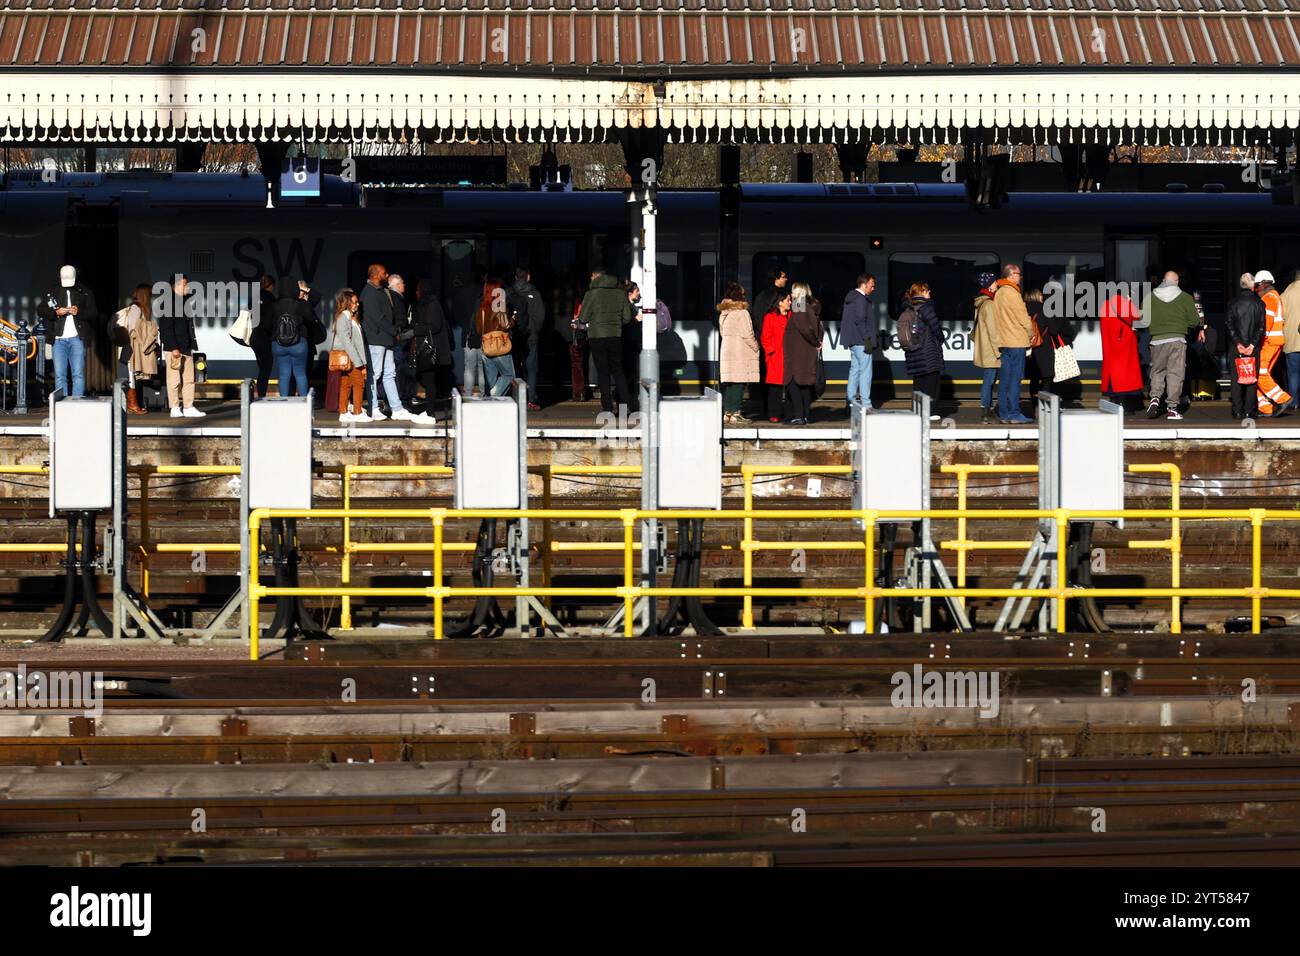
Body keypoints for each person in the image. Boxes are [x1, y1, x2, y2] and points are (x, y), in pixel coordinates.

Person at [1144, 271, 1205, 420]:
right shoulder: (1185, 297)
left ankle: (1155, 397)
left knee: (1157, 371)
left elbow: (1143, 320)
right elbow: (1194, 321)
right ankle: (1172, 408)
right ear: (1177, 282)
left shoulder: (1149, 297)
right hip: (1177, 340)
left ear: (1163, 280)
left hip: (1156, 340)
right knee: (1175, 374)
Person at [359, 263, 414, 420]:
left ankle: (396, 409)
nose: (386, 274)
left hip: (386, 339)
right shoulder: (369, 292)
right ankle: (373, 407)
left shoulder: (379, 291)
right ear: (375, 275)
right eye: (384, 273)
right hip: (376, 339)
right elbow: (378, 318)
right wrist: (394, 331)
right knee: (375, 374)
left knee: (389, 373)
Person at [37, 265, 99, 398]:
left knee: (78, 374)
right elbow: (40, 310)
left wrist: (79, 312)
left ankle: (77, 404)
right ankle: (61, 405)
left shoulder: (84, 291)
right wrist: (55, 312)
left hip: (77, 338)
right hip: (58, 339)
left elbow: (94, 313)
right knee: (60, 375)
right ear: (59, 276)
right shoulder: (52, 291)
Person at [579, 269, 633, 413]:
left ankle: (607, 407)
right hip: (615, 336)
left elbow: (583, 318)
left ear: (597, 278)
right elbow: (627, 318)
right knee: (618, 371)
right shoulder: (620, 293)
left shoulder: (591, 294)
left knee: (603, 373)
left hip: (597, 337)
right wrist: (614, 323)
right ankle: (627, 406)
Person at [156, 273, 205, 418]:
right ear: (175, 286)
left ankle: (189, 406)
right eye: (184, 284)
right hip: (175, 348)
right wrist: (173, 347)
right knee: (174, 379)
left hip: (186, 346)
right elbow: (166, 328)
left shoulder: (184, 302)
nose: (187, 287)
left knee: (189, 378)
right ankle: (175, 407)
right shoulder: (168, 302)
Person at [992, 263, 1033, 424]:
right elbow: (1023, 317)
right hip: (1016, 341)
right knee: (1015, 379)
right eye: (1018, 274)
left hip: (1004, 342)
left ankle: (1004, 413)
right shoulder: (1013, 293)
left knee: (1005, 379)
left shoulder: (999, 293)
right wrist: (1031, 334)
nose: (1020, 277)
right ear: (1010, 275)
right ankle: (1015, 413)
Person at [268, 276, 317, 399]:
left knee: (284, 374)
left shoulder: (273, 305)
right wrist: (306, 289)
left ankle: (284, 401)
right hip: (299, 343)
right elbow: (311, 319)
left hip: (278, 344)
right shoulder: (300, 304)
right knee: (300, 374)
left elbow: (266, 324)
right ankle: (303, 402)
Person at [113, 284, 159, 414]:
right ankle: (132, 405)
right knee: (130, 375)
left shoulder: (140, 309)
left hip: (133, 346)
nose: (151, 297)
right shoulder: (136, 309)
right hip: (131, 347)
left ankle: (132, 404)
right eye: (149, 294)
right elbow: (133, 329)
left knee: (132, 375)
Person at [1225, 272, 1265, 420]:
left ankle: (1236, 410)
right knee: (1252, 379)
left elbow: (1229, 325)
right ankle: (1249, 410)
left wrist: (1238, 343)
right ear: (1253, 286)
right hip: (1253, 348)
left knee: (1236, 379)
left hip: (1236, 347)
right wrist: (1253, 345)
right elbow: (1261, 327)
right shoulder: (1259, 303)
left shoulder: (1232, 303)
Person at [411, 277, 452, 419]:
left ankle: (429, 413)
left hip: (431, 350)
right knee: (429, 380)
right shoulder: (429, 304)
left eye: (418, 289)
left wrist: (415, 330)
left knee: (429, 380)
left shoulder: (432, 304)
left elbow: (434, 326)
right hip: (429, 349)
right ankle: (429, 411)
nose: (416, 292)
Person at [718, 282, 758, 424]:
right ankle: (736, 413)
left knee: (730, 382)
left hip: (728, 350)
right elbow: (748, 333)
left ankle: (727, 413)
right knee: (739, 382)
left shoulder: (724, 312)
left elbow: (723, 332)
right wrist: (756, 347)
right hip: (740, 351)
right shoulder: (742, 312)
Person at [783, 282, 823, 425]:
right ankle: (806, 415)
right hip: (806, 352)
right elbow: (819, 328)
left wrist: (815, 342)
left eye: (793, 291)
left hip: (797, 353)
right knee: (805, 385)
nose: (791, 294)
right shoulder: (812, 307)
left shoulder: (798, 305)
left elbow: (804, 328)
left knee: (792, 383)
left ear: (799, 292)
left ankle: (798, 415)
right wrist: (817, 342)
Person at [902, 283, 943, 419]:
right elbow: (936, 327)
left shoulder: (909, 307)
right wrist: (941, 338)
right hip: (927, 351)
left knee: (919, 382)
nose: (929, 292)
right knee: (932, 382)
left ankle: (917, 410)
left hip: (914, 352)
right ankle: (930, 412)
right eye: (927, 290)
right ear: (921, 292)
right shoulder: (926, 307)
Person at [507, 267, 545, 411]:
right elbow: (540, 317)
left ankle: (516, 398)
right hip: (531, 336)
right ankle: (531, 399)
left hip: (514, 335)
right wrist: (534, 329)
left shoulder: (509, 293)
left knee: (515, 367)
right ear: (528, 277)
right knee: (532, 369)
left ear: (516, 277)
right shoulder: (535, 294)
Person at [1254, 269, 1291, 417]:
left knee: (1259, 372)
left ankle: (1282, 398)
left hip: (1268, 342)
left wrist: (1257, 339)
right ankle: (1265, 408)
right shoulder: (1275, 296)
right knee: (1261, 374)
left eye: (1257, 286)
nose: (1255, 289)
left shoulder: (1268, 298)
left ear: (1263, 284)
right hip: (1275, 341)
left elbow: (1266, 322)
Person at [1099, 289, 1144, 412]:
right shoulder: (1126, 304)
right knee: (1125, 374)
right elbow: (1138, 316)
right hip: (1125, 344)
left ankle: (1114, 402)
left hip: (1110, 344)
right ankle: (1124, 404)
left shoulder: (1105, 305)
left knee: (1112, 373)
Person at [331, 288, 369, 423]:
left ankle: (344, 411)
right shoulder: (344, 317)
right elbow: (347, 341)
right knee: (358, 383)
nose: (357, 304)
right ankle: (357, 412)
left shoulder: (348, 317)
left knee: (346, 384)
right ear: (347, 303)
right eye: (354, 302)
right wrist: (358, 361)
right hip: (351, 358)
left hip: (352, 357)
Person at [841, 273, 877, 412]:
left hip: (852, 341)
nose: (873, 288)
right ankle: (866, 404)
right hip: (861, 341)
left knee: (854, 370)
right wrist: (867, 339)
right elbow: (860, 321)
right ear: (864, 283)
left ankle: (850, 400)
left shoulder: (851, 297)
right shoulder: (861, 299)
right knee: (865, 372)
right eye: (872, 284)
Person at [476, 277, 516, 397]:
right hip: (500, 346)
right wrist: (513, 319)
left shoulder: (481, 309)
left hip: (486, 348)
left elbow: (479, 330)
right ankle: (494, 394)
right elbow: (505, 325)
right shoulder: (499, 306)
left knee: (491, 381)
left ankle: (491, 399)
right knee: (509, 375)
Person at [971, 272, 1000, 423]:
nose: (997, 284)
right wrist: (998, 350)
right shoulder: (989, 304)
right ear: (989, 284)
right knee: (989, 380)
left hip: (987, 348)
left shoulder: (982, 301)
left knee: (989, 379)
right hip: (991, 350)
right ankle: (986, 412)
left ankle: (986, 410)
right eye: (995, 282)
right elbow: (993, 330)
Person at [760, 291, 792, 423]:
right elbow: (765, 337)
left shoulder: (792, 315)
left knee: (791, 386)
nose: (790, 302)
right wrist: (771, 351)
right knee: (775, 387)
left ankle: (790, 413)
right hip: (776, 356)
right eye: (788, 300)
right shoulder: (770, 317)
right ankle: (774, 413)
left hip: (790, 356)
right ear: (780, 302)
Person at [560, 279, 591, 401]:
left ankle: (578, 391)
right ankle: (581, 391)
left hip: (576, 334)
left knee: (576, 364)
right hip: (586, 334)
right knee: (582, 363)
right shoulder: (587, 300)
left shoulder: (576, 301)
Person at [251, 274, 276, 398]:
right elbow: (271, 321)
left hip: (255, 337)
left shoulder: (253, 297)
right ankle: (261, 395)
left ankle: (261, 394)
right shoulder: (271, 299)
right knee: (266, 369)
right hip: (265, 338)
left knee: (262, 368)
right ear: (271, 286)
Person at [1282, 269, 1300, 409]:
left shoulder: (1286, 294)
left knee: (1293, 373)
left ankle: (1294, 402)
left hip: (1292, 340)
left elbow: (1281, 317)